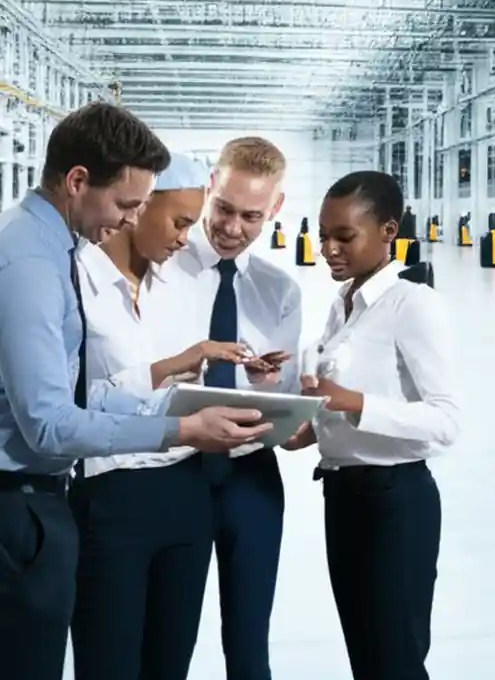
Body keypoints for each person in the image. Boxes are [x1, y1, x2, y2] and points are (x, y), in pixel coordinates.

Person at [0, 103, 273, 680]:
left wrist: (174, 406)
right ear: (78, 181)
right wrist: (179, 427)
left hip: (45, 498)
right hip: (20, 505)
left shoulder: (51, 250)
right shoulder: (29, 261)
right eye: (127, 204)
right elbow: (49, 422)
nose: (129, 220)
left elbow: (79, 396)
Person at [70, 153, 272, 680]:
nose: (189, 238)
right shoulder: (77, 281)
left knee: (169, 661)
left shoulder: (173, 285)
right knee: (108, 660)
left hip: (184, 487)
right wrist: (164, 369)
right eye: (182, 222)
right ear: (138, 208)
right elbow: (69, 402)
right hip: (111, 489)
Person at [284, 170, 460, 680]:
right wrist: (310, 426)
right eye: (323, 235)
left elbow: (446, 419)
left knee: (394, 662)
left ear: (389, 230)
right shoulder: (345, 306)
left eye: (344, 236)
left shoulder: (413, 305)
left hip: (395, 503)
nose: (328, 249)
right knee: (366, 657)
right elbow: (338, 398)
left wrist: (350, 401)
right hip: (343, 497)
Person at [144, 136, 301, 680]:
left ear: (275, 209)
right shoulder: (162, 264)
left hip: (250, 476)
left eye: (252, 216)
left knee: (250, 644)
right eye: (225, 209)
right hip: (174, 467)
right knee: (165, 642)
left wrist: (274, 385)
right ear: (210, 188)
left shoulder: (280, 290)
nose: (233, 227)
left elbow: (287, 398)